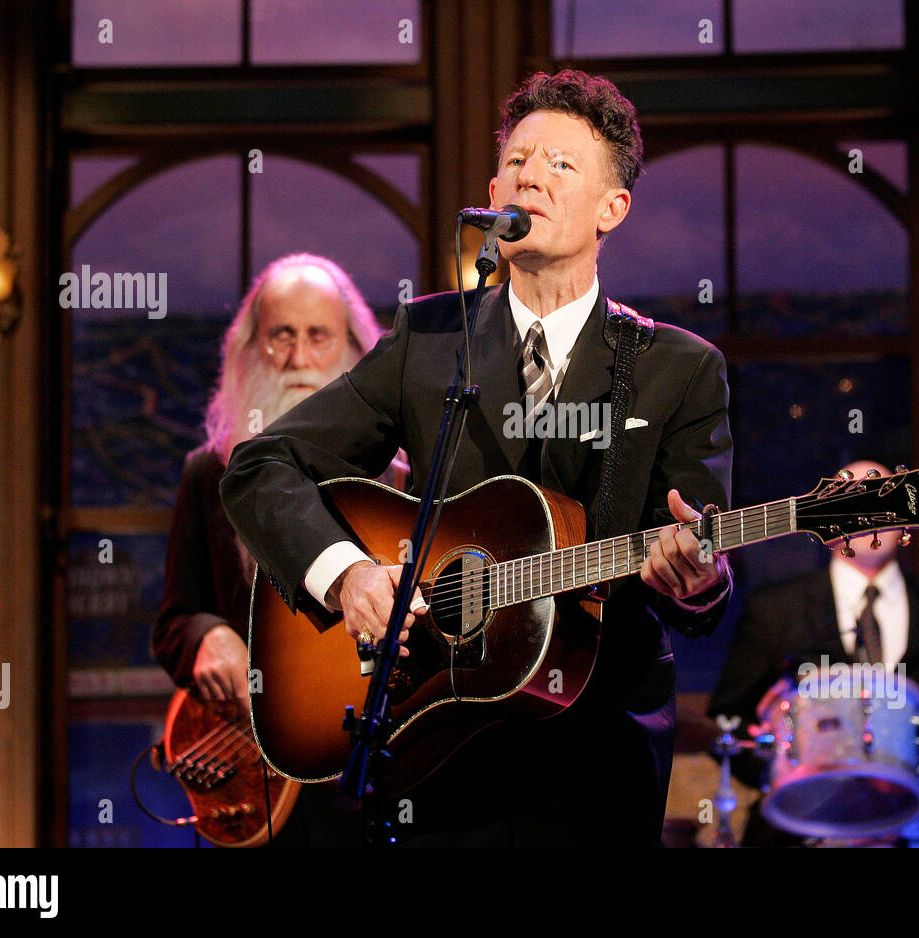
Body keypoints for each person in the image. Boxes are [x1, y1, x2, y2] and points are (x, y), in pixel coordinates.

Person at [220, 69, 734, 847]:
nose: (532, 173)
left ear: (612, 208)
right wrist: (348, 574)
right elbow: (261, 467)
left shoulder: (679, 368)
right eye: (519, 160)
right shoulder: (427, 341)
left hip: (595, 758)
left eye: (561, 163)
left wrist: (698, 580)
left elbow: (696, 569)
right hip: (437, 745)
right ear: (494, 190)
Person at [153, 253, 402, 845]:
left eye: (318, 336)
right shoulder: (208, 474)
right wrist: (204, 636)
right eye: (280, 337)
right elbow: (172, 623)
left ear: (353, 347)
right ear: (251, 348)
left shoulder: (399, 480)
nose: (298, 359)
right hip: (250, 780)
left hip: (366, 778)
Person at [708, 459, 919, 847]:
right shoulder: (774, 608)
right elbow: (728, 720)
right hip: (798, 829)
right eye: (852, 501)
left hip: (914, 827)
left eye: (886, 498)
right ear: (826, 522)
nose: (870, 513)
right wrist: (784, 773)